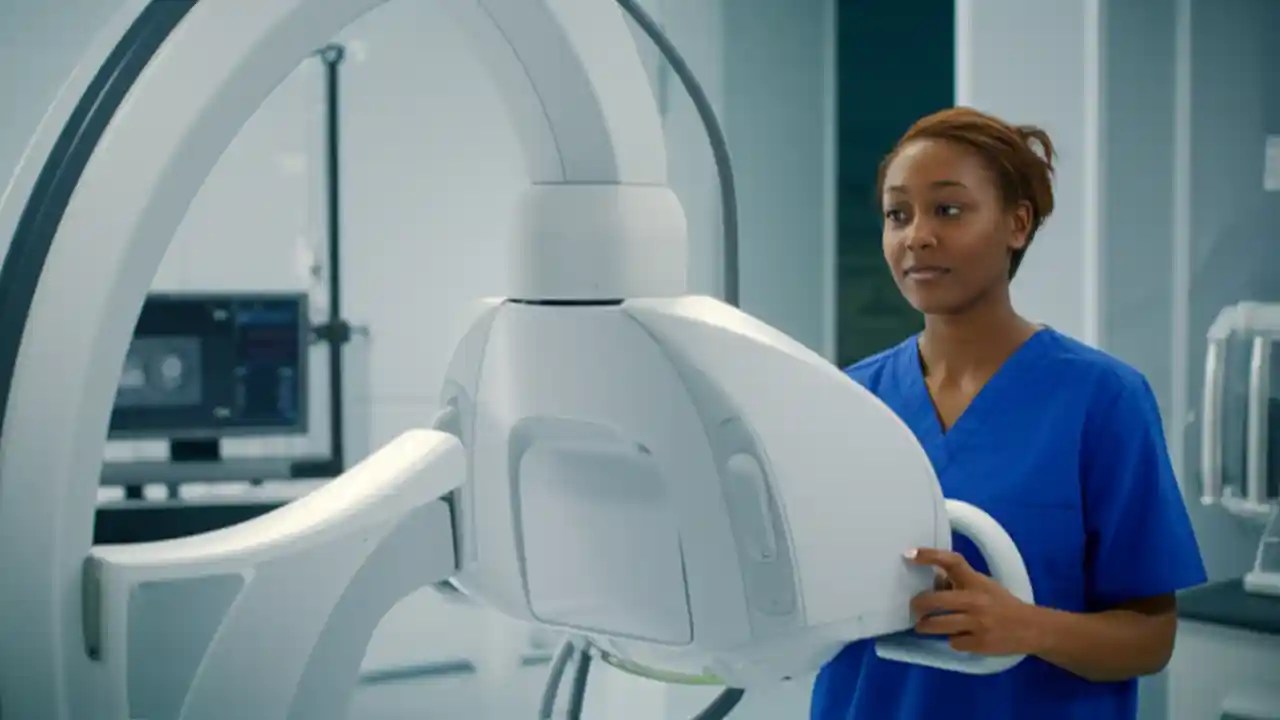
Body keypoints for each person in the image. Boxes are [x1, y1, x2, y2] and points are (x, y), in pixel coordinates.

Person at [810, 106, 1207, 720]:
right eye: (898, 214)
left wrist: (1025, 626)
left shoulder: (1102, 399)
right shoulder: (848, 401)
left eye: (948, 210)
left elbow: (1151, 639)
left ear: (1016, 225)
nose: (917, 236)